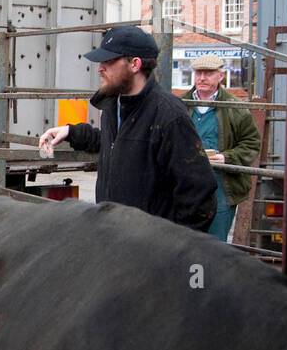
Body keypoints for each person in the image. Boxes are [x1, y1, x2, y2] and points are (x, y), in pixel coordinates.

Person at [38, 25, 216, 231]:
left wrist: (172, 247)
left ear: (135, 64)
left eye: (109, 60)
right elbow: (115, 143)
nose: (100, 67)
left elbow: (199, 192)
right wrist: (71, 132)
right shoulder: (114, 104)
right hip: (113, 236)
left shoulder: (169, 115)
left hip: (146, 246)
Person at [183, 55, 262, 241]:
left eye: (208, 73)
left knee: (215, 244)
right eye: (199, 73)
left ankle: (209, 271)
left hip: (221, 185)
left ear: (220, 76)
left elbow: (251, 143)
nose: (202, 78)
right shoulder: (181, 105)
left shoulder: (235, 108)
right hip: (186, 184)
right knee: (185, 242)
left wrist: (227, 157)